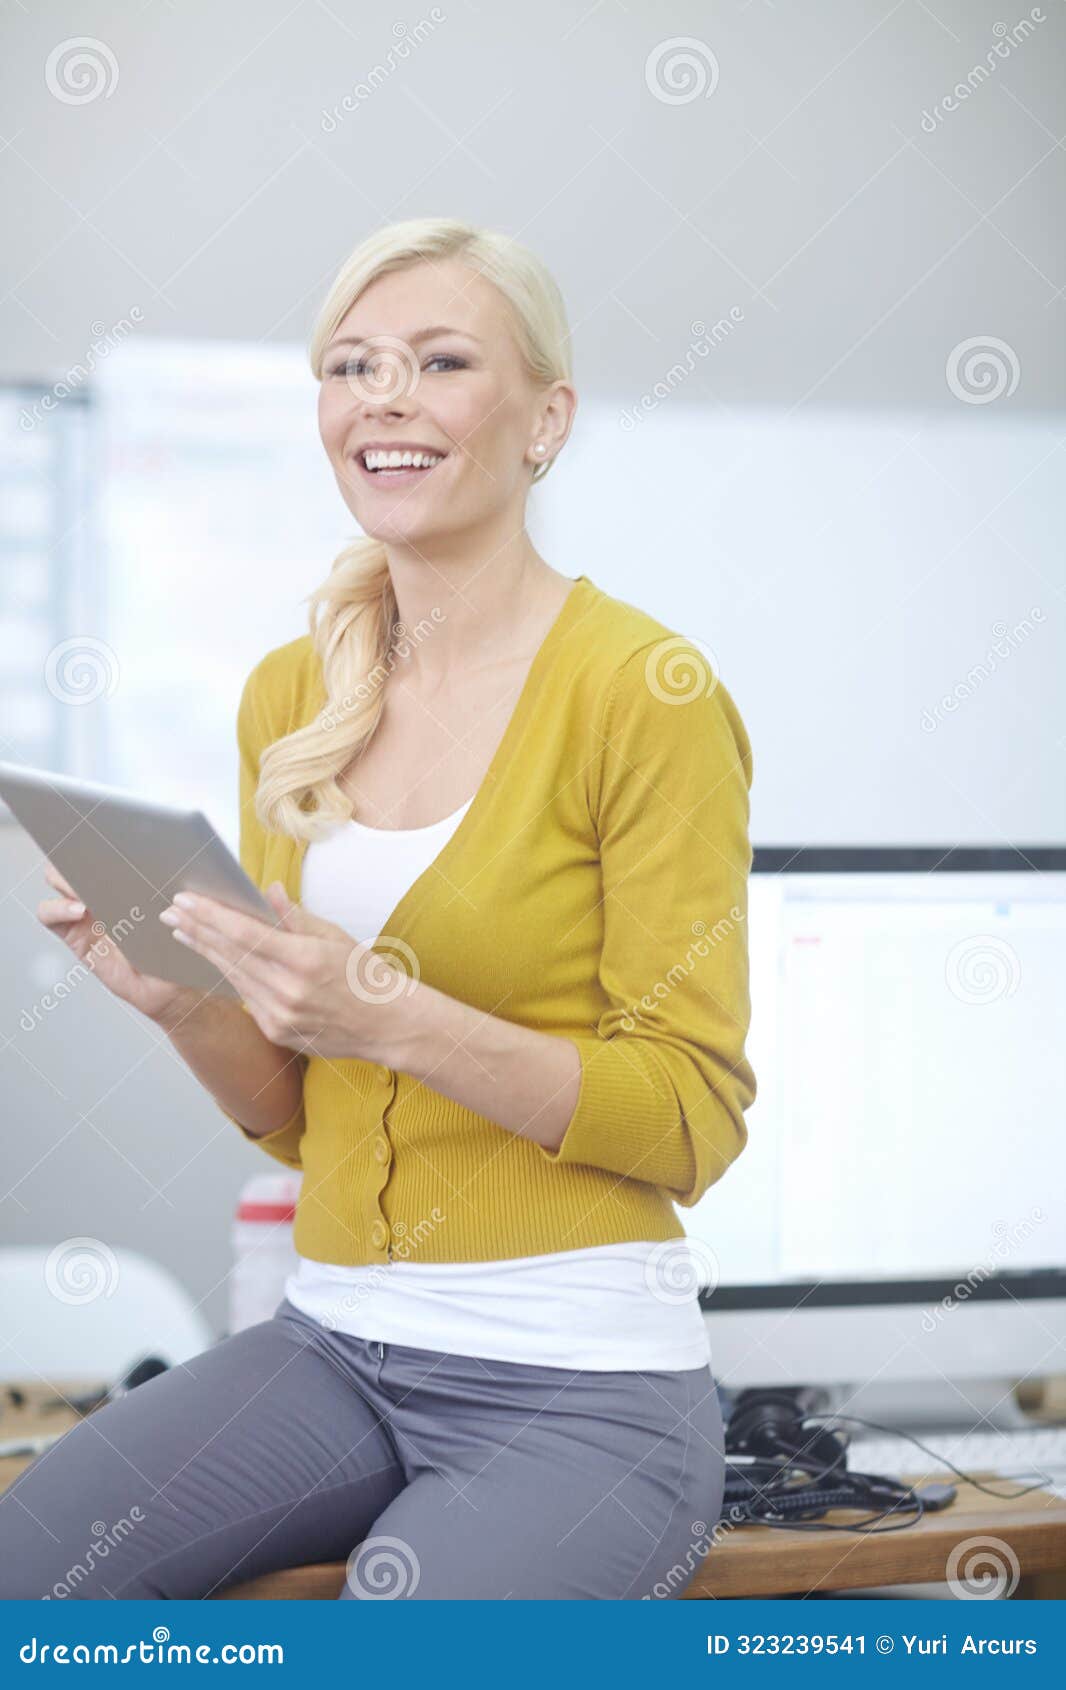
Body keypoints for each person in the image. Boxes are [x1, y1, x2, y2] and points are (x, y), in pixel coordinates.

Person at [0, 217, 756, 1601]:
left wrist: (395, 1013)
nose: (382, 398)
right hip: (333, 1343)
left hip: (579, 1384)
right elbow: (300, 1110)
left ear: (545, 419)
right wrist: (182, 1001)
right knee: (25, 1569)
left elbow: (691, 1116)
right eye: (349, 366)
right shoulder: (294, 696)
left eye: (439, 360)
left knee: (395, 1628)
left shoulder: (646, 696)